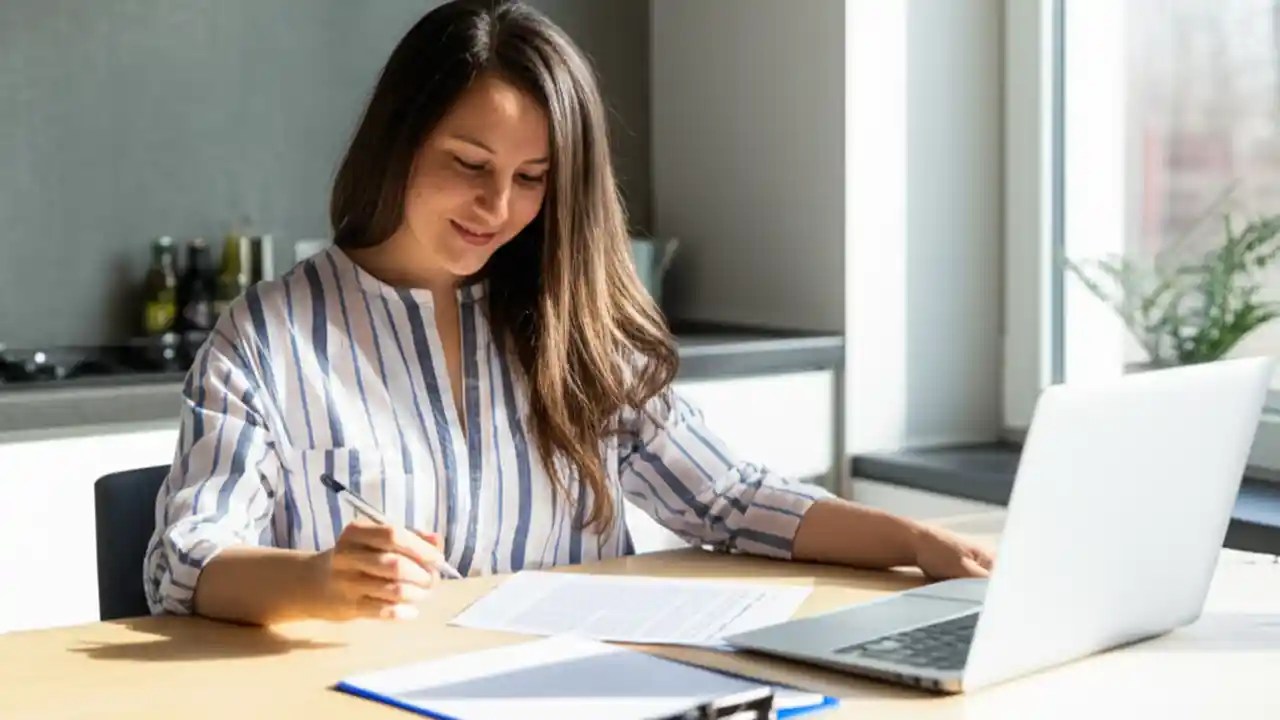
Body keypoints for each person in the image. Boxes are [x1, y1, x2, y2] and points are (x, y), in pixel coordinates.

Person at [144, 0, 993, 626]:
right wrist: (316, 580)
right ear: (397, 140)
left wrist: (912, 542)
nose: (496, 205)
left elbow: (729, 500)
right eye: (469, 162)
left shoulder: (571, 326)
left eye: (532, 178)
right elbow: (185, 563)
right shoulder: (270, 337)